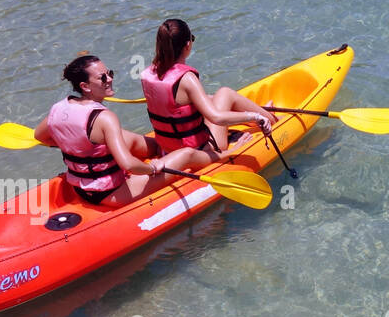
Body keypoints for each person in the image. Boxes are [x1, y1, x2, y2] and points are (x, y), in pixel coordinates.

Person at [34, 54, 203, 206]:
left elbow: (40, 136)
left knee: (129, 138)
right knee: (187, 154)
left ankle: (161, 149)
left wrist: (74, 146)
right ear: (85, 86)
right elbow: (128, 164)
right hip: (112, 193)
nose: (109, 79)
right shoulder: (105, 118)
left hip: (81, 188)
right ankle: (224, 155)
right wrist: (153, 168)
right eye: (102, 78)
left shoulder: (58, 108)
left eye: (110, 73)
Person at [140, 18, 277, 163]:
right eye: (192, 39)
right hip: (200, 151)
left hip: (167, 150)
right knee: (225, 93)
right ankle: (270, 119)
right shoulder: (187, 79)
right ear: (187, 45)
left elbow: (174, 106)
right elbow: (216, 118)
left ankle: (262, 115)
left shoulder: (148, 74)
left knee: (215, 97)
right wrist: (254, 116)